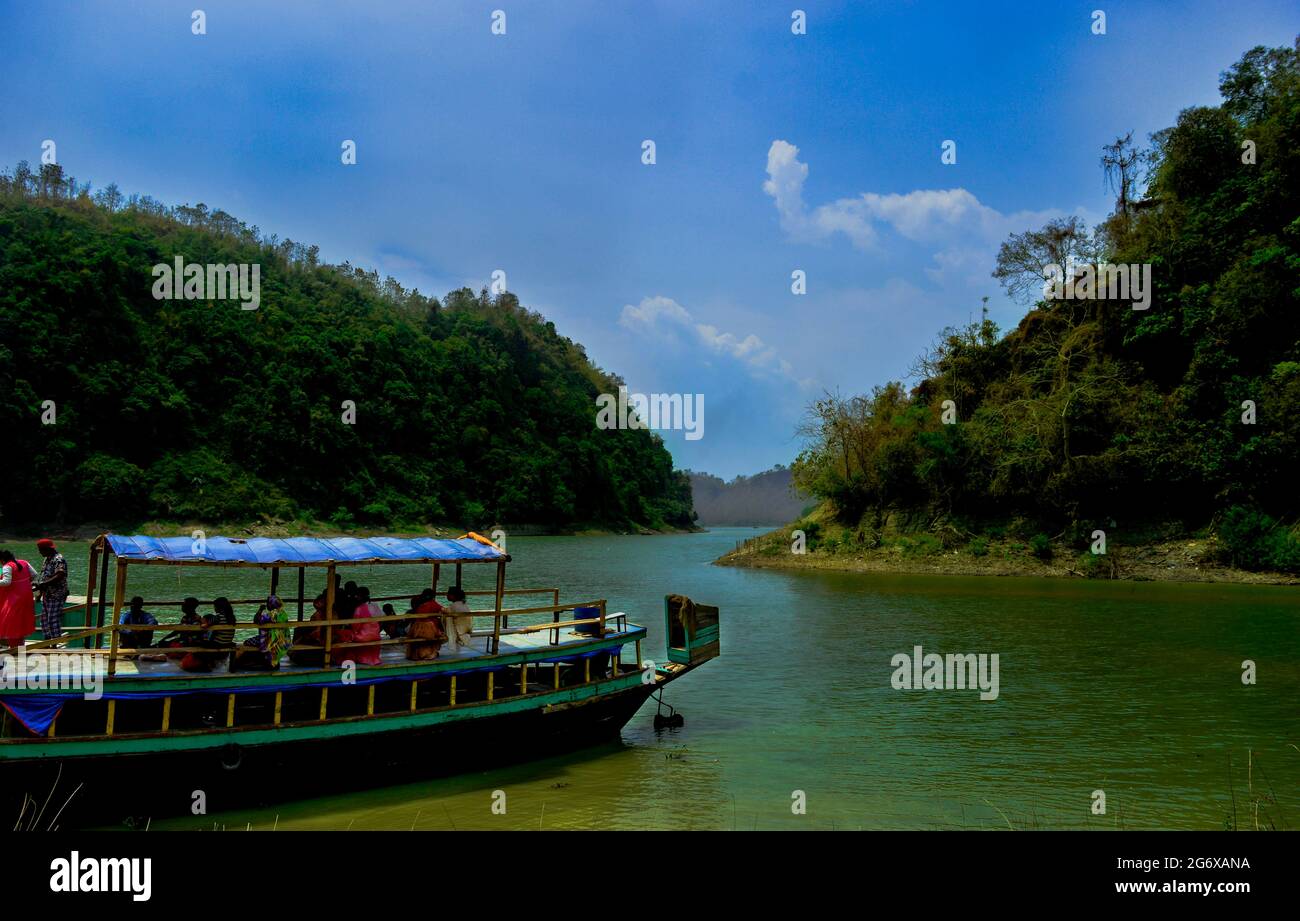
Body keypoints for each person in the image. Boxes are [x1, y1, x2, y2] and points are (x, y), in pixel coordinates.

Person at [180, 597, 238, 672]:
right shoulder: (232, 617)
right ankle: (210, 662)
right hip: (227, 643)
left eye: (215, 607)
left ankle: (207, 665)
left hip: (217, 644)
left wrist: (199, 619)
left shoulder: (218, 617)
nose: (214, 609)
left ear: (218, 607)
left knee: (196, 644)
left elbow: (204, 625)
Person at [334, 586, 382, 666]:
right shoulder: (375, 606)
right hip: (376, 635)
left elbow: (356, 626)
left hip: (363, 636)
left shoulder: (359, 609)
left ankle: (346, 658)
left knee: (343, 635)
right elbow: (380, 619)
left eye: (357, 596)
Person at [31, 538, 68, 641]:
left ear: (47, 549)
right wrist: (40, 593)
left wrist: (43, 584)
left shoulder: (58, 559)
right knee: (44, 620)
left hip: (57, 594)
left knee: (52, 619)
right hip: (47, 594)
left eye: (40, 550)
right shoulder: (47, 559)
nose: (39, 552)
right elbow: (45, 576)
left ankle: (55, 643)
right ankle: (47, 641)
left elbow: (60, 574)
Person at [0, 550, 37, 649]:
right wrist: (23, 583)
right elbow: (34, 574)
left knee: (10, 622)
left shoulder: (7, 566)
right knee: (21, 621)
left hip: (15, 598)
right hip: (27, 596)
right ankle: (20, 646)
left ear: (3, 560)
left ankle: (14, 648)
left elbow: (6, 582)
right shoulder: (24, 562)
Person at [406, 589, 446, 661]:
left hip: (416, 628)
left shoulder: (420, 605)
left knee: (419, 642)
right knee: (442, 636)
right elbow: (444, 610)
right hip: (429, 628)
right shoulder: (433, 603)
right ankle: (431, 653)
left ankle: (417, 655)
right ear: (433, 597)